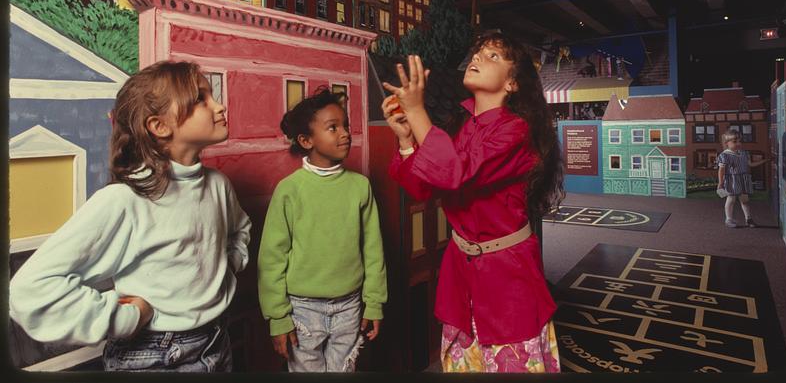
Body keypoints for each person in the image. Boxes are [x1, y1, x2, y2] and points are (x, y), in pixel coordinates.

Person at [9, 61, 252, 372]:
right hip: (153, 356)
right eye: (201, 99)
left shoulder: (218, 185)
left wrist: (227, 267)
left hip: (217, 340)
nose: (219, 106)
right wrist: (123, 318)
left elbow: (240, 230)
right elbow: (29, 289)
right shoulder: (124, 199)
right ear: (160, 126)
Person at [382, 32, 564, 373]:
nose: (478, 58)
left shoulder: (516, 131)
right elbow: (424, 188)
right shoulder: (462, 128)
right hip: (461, 273)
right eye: (478, 52)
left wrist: (418, 111)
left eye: (494, 56)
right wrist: (407, 140)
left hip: (506, 277)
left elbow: (453, 172)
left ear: (512, 83)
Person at [258, 87, 387, 372]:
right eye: (332, 128)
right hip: (302, 309)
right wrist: (278, 317)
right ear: (306, 140)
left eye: (345, 126)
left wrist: (374, 303)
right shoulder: (289, 190)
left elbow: (373, 249)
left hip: (350, 305)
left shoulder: (360, 186)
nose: (344, 133)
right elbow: (271, 259)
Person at [717, 128, 769, 228]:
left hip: (744, 179)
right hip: (732, 180)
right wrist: (720, 183)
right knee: (731, 199)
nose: (738, 143)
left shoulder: (744, 153)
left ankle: (748, 219)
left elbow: (750, 164)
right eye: (735, 141)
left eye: (740, 141)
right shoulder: (725, 155)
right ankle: (728, 219)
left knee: (744, 200)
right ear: (727, 143)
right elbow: (721, 170)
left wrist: (765, 161)